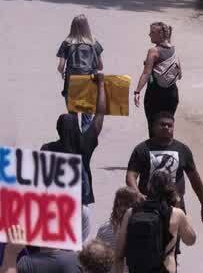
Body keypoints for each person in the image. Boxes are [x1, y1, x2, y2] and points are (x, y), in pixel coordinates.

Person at [42, 72, 107, 241]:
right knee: (77, 247)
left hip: (55, 205)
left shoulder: (47, 149)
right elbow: (99, 115)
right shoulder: (85, 144)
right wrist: (100, 85)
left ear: (58, 130)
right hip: (80, 206)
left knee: (57, 243)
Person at [125, 111, 203, 222]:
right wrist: (137, 194)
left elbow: (195, 179)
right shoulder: (142, 149)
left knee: (174, 237)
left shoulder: (182, 149)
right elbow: (131, 175)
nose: (166, 127)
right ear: (153, 127)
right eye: (162, 124)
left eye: (169, 125)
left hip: (175, 206)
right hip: (147, 207)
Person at [134, 21, 179, 135]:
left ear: (160, 34)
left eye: (152, 32)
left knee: (154, 127)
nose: (149, 34)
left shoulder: (153, 51)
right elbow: (180, 74)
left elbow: (146, 73)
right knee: (167, 126)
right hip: (172, 95)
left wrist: (137, 91)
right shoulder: (173, 49)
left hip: (155, 95)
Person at [55, 13, 103, 98]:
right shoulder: (94, 44)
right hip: (89, 83)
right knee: (87, 109)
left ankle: (72, 112)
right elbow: (100, 66)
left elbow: (60, 67)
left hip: (72, 84)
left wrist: (62, 73)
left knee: (72, 109)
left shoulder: (67, 44)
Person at [97, 186, 140, 250]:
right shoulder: (140, 231)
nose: (122, 208)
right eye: (120, 204)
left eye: (126, 204)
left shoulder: (103, 229)